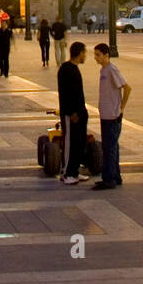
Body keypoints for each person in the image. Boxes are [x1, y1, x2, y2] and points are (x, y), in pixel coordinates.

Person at [91, 44, 130, 189]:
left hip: (112, 116)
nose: (96, 58)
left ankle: (109, 179)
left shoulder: (112, 70)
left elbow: (127, 88)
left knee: (109, 147)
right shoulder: (104, 70)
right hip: (106, 114)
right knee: (112, 147)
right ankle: (115, 176)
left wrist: (121, 108)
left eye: (98, 55)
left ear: (106, 55)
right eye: (95, 54)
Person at [58, 42, 90, 184]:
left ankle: (75, 171)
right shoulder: (66, 69)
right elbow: (65, 94)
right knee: (70, 143)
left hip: (79, 113)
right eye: (85, 53)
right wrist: (72, 112)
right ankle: (66, 173)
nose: (86, 56)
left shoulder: (74, 68)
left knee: (78, 143)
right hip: (71, 114)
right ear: (79, 53)